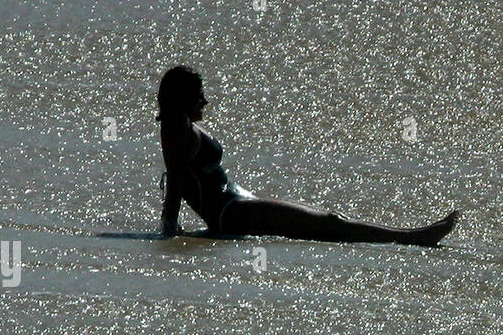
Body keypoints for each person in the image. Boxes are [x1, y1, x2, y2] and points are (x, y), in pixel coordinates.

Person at [156, 66, 458, 246]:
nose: (205, 101)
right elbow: (177, 177)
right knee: (329, 222)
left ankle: (411, 236)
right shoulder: (175, 125)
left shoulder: (182, 125)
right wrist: (169, 227)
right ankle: (412, 239)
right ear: (182, 100)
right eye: (198, 95)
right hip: (230, 212)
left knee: (325, 224)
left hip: (238, 203)